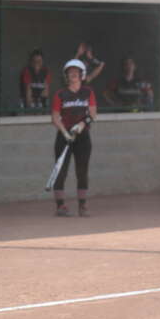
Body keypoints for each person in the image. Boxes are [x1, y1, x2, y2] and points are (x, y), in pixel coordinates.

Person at [50, 58, 99, 217]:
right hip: (64, 136)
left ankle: (83, 205)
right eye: (70, 72)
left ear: (82, 74)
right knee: (61, 171)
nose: (73, 75)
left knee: (82, 170)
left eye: (76, 72)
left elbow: (92, 114)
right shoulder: (60, 94)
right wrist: (64, 132)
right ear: (66, 75)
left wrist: (82, 125)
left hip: (82, 136)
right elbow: (55, 117)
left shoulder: (88, 92)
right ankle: (60, 206)